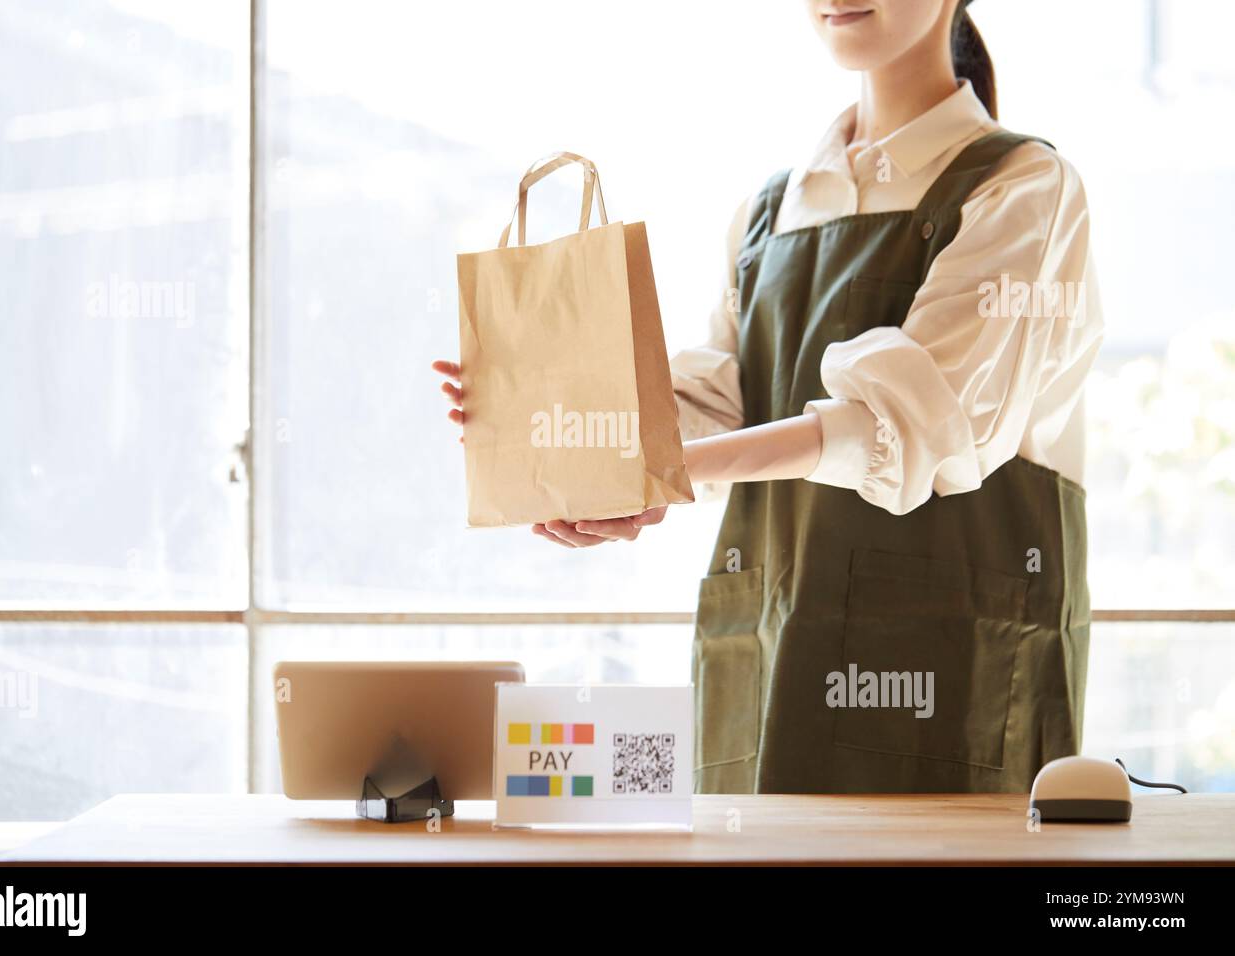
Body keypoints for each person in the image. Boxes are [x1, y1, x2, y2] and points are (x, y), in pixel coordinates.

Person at [434, 0, 1104, 794]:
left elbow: (912, 421)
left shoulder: (1025, 187)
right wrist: (560, 421)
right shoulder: (769, 211)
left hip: (956, 675)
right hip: (767, 650)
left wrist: (673, 465)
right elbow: (714, 402)